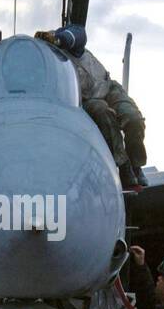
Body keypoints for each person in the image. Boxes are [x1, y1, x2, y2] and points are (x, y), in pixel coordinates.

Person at [35, 24, 147, 189]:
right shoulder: (49, 64)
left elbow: (79, 35)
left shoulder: (67, 38)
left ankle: (136, 166)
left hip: (109, 88)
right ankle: (123, 167)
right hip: (87, 100)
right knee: (103, 113)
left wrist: (57, 39)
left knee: (133, 118)